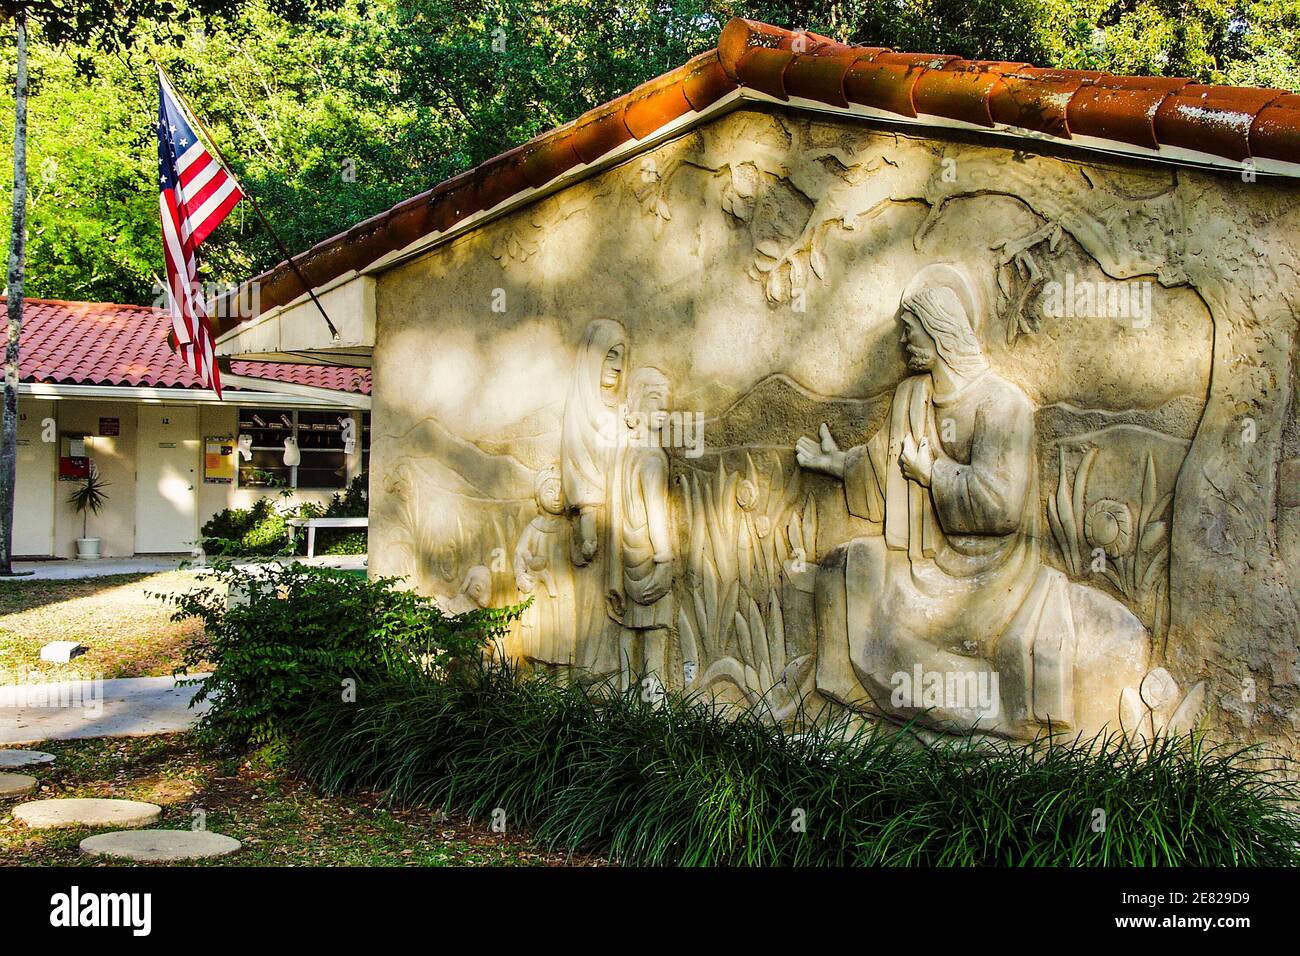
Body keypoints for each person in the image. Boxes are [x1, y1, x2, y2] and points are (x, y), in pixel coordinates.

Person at [605, 367, 674, 694]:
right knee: (655, 638)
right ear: (636, 402)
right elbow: (655, 513)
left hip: (629, 562)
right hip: (650, 563)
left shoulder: (625, 455)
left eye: (666, 399)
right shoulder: (651, 459)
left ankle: (625, 702)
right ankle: (655, 708)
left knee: (629, 631)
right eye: (655, 398)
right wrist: (665, 559)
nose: (664, 407)